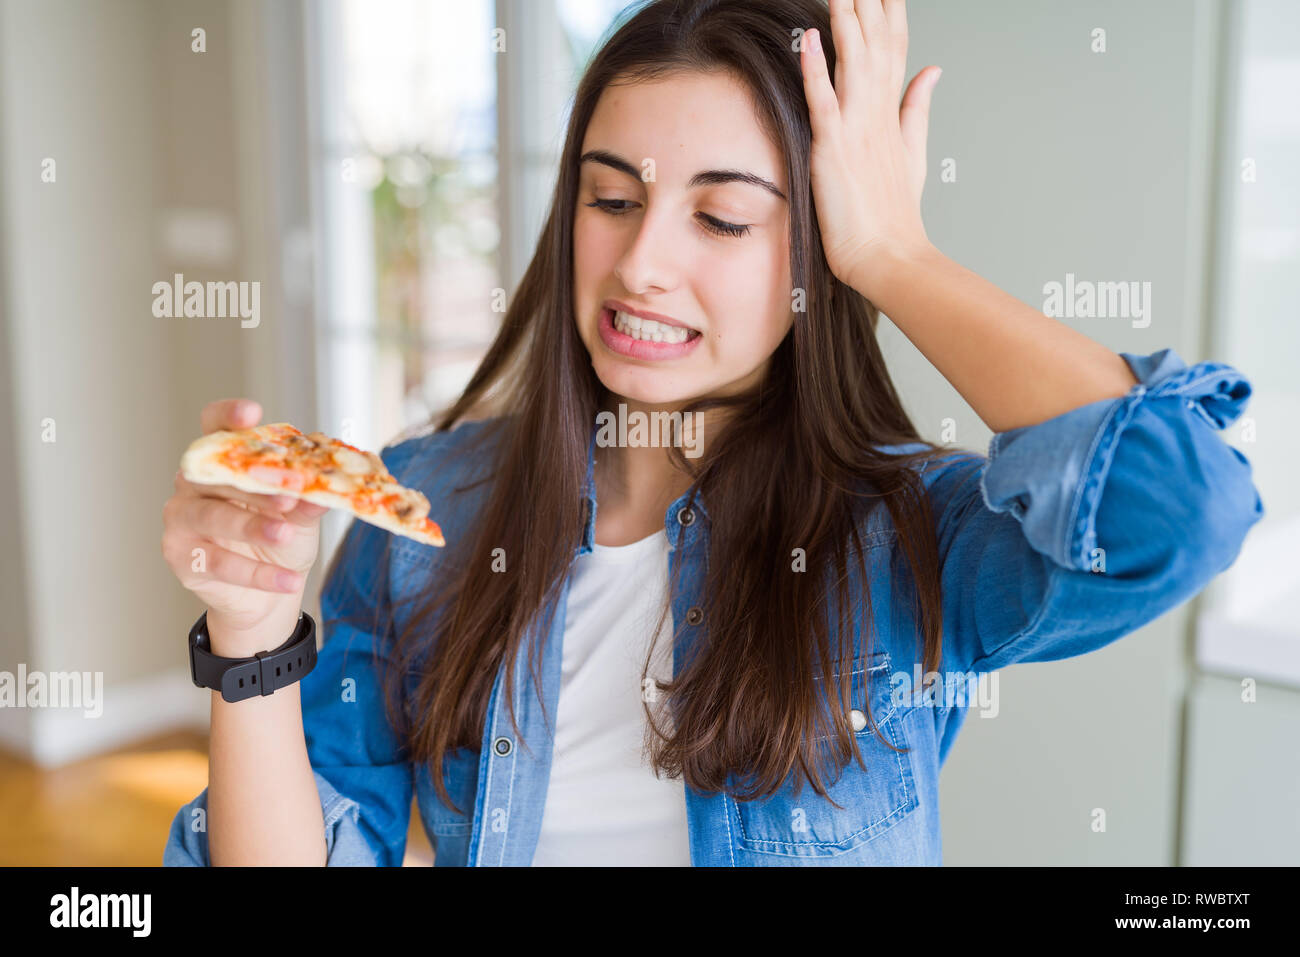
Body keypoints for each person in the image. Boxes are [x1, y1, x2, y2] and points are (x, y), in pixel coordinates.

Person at [162, 0, 1262, 866]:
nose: (641, 263)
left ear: (815, 251)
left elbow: (1177, 504)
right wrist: (253, 638)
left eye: (722, 216)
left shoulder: (910, 535)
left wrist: (894, 256)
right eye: (610, 199)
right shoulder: (426, 506)